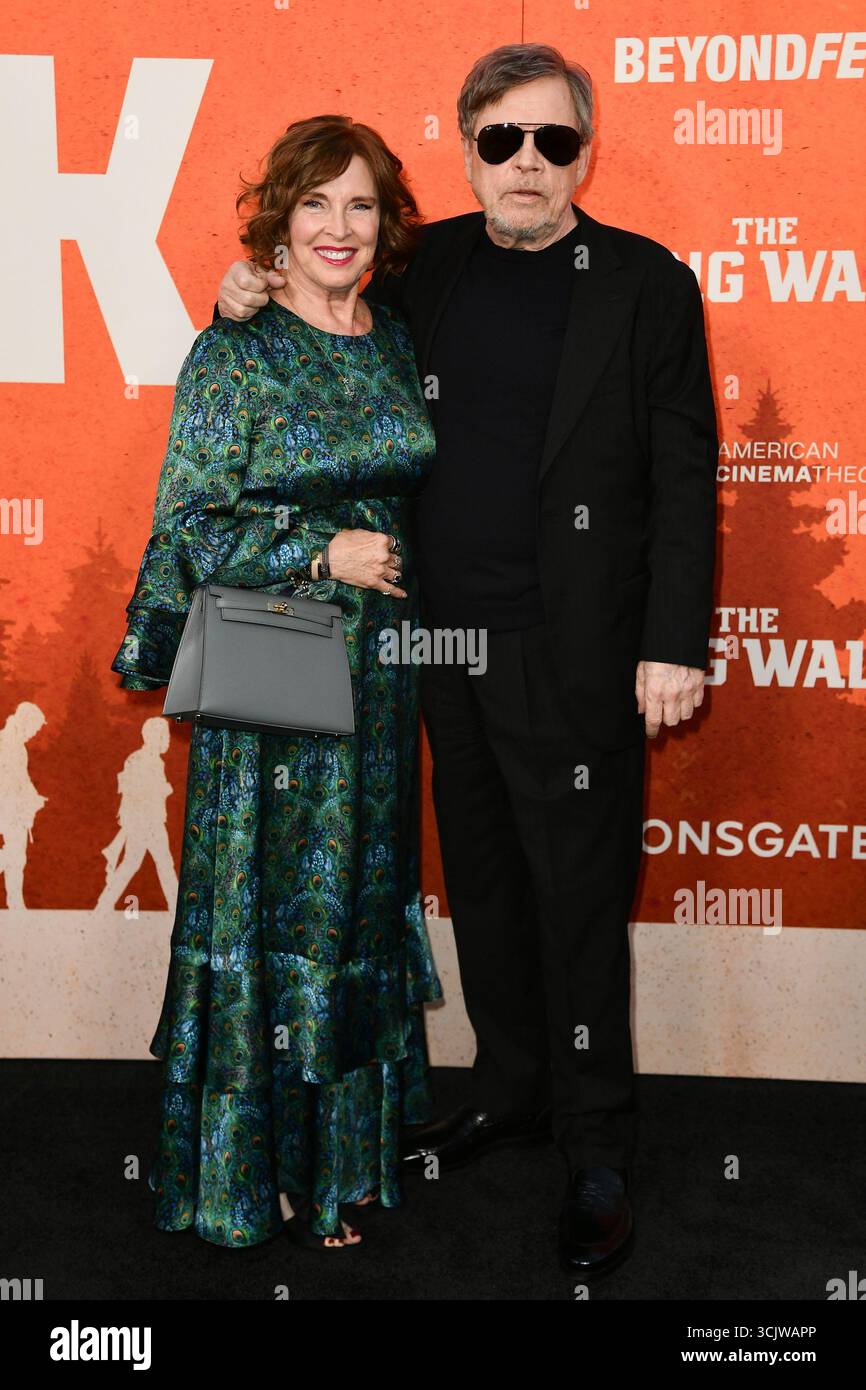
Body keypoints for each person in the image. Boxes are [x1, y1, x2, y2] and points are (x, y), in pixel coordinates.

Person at [216, 43, 719, 1276]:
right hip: (434, 642)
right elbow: (313, 291)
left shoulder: (645, 284)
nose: (527, 166)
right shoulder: (424, 259)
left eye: (552, 142)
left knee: (579, 905)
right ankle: (509, 1087)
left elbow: (683, 477)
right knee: (484, 882)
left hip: (579, 653)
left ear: (584, 151)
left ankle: (596, 1146)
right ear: (468, 150)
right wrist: (242, 283)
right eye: (502, 143)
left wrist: (670, 642)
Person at [111, 114, 442, 1250]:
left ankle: (343, 1161)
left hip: (382, 681)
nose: (338, 227)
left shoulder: (395, 336)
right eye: (314, 204)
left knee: (354, 901)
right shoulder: (233, 351)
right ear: (277, 223)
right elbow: (194, 527)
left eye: (359, 204)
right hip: (275, 678)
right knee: (279, 907)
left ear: (384, 221)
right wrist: (320, 551)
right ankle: (266, 1172)